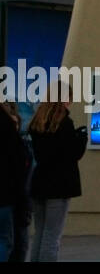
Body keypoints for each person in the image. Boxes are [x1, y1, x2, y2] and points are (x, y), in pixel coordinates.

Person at [28, 96, 88, 261]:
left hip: (40, 182)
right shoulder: (64, 123)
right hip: (60, 184)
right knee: (52, 235)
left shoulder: (36, 123)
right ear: (64, 99)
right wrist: (81, 137)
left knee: (40, 232)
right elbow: (74, 153)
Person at [0, 103, 27, 261]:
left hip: (8, 195)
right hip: (5, 196)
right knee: (4, 240)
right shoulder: (11, 138)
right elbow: (17, 168)